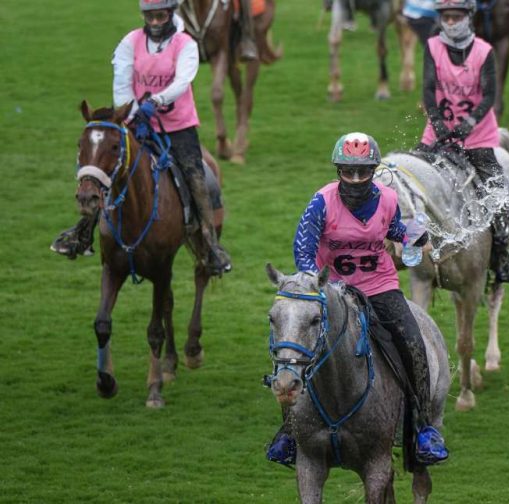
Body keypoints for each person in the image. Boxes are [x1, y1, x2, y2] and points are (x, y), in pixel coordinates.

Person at [266, 132, 449, 467]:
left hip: (378, 286)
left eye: (362, 171)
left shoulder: (389, 200)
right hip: (332, 289)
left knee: (412, 342)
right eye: (347, 171)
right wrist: (312, 282)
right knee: (292, 343)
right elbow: (303, 250)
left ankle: (422, 427)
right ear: (338, 171)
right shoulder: (321, 201)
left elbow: (396, 231)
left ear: (373, 170)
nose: (354, 178)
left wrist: (415, 237)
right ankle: (290, 432)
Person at [50, 0, 232, 275]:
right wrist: (134, 113)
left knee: (197, 178)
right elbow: (121, 83)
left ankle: (209, 245)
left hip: (178, 127)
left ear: (171, 14)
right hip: (136, 121)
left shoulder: (186, 45)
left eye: (160, 16)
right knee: (107, 169)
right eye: (150, 17)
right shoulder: (130, 42)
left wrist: (155, 101)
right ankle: (82, 233)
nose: (155, 23)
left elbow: (182, 82)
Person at [419, 0, 509, 283]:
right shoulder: (432, 47)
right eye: (446, 17)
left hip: (478, 135)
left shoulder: (484, 51)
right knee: (412, 185)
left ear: (469, 17)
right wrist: (440, 125)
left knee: (498, 194)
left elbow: (490, 94)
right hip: (438, 133)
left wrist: (467, 125)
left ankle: (502, 252)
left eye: (456, 17)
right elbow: (429, 90)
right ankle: (404, 246)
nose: (451, 23)